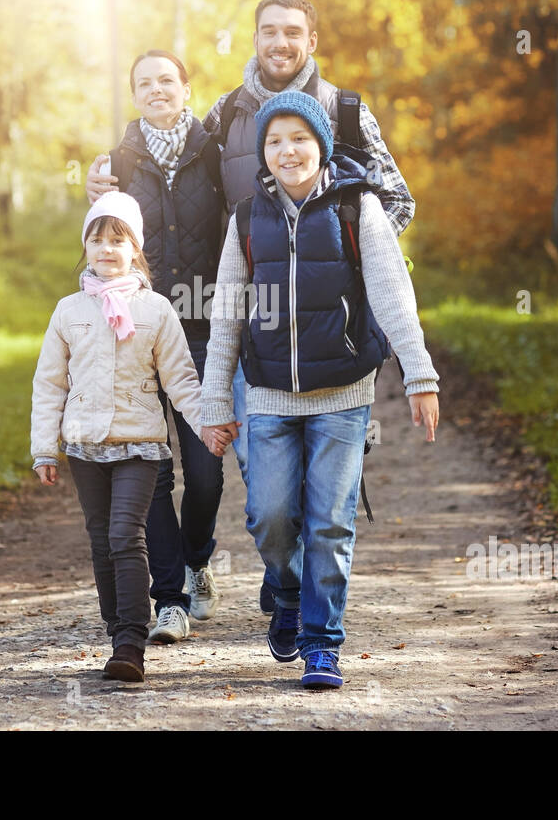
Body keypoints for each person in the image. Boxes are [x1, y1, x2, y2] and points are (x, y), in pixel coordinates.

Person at [90, 0, 416, 614]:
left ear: (311, 41)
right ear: (257, 39)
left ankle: (297, 593)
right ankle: (280, 567)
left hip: (325, 328)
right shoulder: (225, 115)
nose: (281, 43)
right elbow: (175, 166)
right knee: (252, 456)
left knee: (314, 459)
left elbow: (396, 200)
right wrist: (101, 185)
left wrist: (336, 264)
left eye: (293, 32)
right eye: (270, 31)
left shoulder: (345, 111)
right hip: (238, 319)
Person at [197, 91, 440, 690]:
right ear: (263, 151)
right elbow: (227, 315)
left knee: (330, 522)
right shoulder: (247, 217)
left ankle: (322, 644)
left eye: (299, 138)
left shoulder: (357, 208)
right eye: (275, 141)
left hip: (344, 392)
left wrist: (421, 374)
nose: (288, 151)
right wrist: (213, 402)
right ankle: (285, 590)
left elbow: (392, 296)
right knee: (270, 517)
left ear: (321, 144)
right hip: (270, 394)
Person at [30, 191, 231, 682]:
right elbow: (49, 383)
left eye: (117, 239)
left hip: (139, 442)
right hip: (85, 444)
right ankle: (115, 627)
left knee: (125, 532)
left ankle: (131, 643)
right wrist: (44, 448)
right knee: (101, 539)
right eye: (97, 239)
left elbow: (181, 378)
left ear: (136, 249)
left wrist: (207, 421)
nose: (106, 249)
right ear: (86, 248)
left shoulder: (156, 309)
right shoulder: (69, 310)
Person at [97, 50, 230, 643]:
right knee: (153, 474)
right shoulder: (116, 165)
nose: (156, 89)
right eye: (144, 82)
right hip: (139, 336)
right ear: (134, 94)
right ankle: (169, 596)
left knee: (205, 474)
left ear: (186, 87)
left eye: (166, 80)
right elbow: (104, 244)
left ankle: (199, 557)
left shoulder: (218, 152)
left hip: (203, 332)